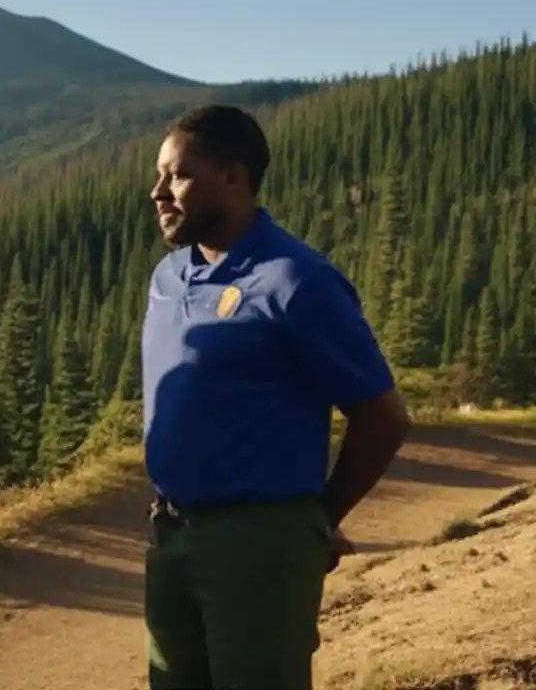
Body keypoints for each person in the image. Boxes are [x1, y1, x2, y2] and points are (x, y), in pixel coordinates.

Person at [140, 104, 412, 689]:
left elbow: (382, 417)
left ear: (233, 178)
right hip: (170, 536)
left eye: (178, 175)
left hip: (258, 546)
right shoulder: (168, 278)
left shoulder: (296, 281)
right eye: (160, 175)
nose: (158, 191)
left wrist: (316, 519)